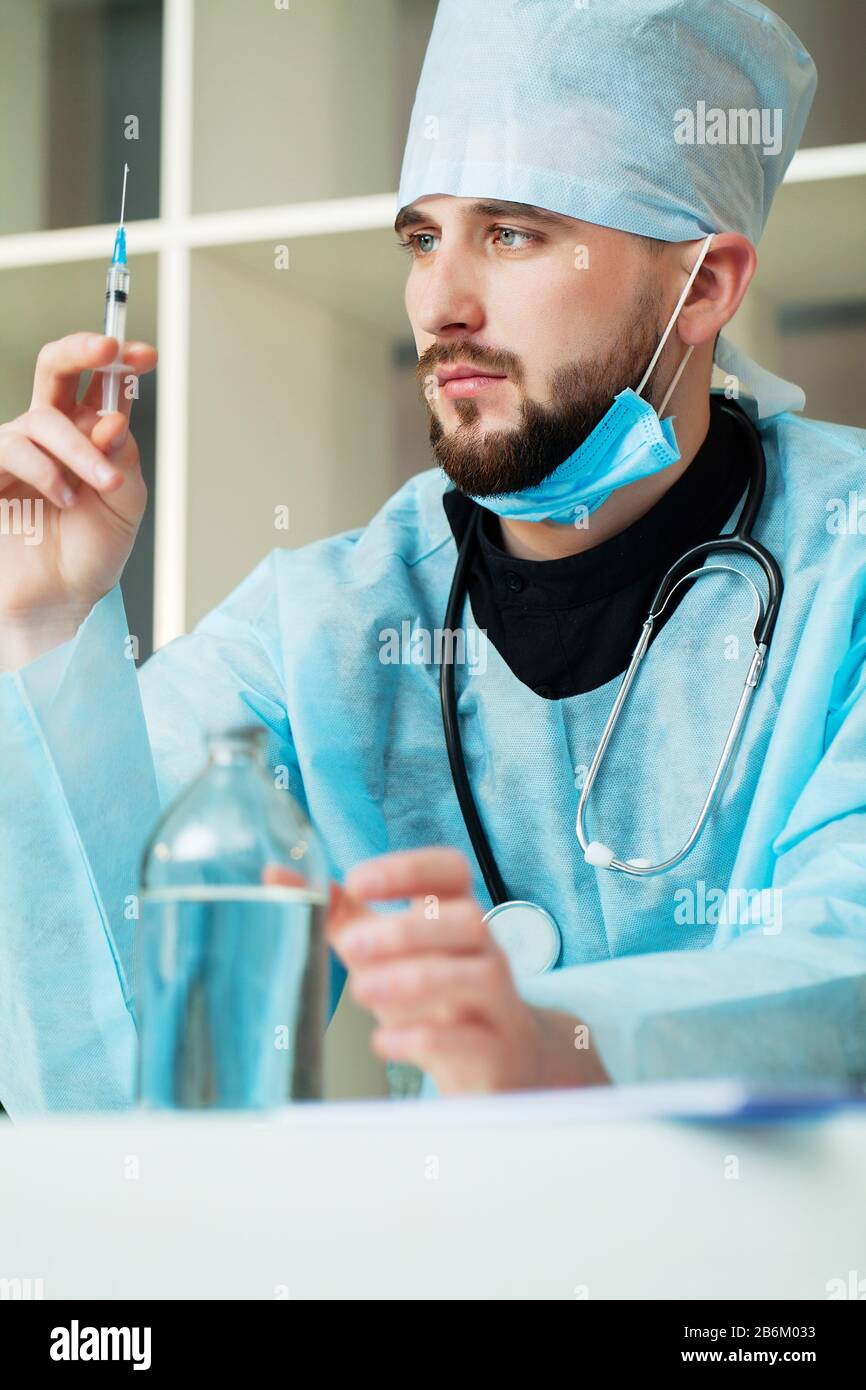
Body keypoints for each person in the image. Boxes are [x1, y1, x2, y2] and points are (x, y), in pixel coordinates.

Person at [2, 0, 865, 1116]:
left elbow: (839, 966)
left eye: (510, 233)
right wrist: (39, 623)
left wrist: (557, 1042)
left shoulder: (841, 565)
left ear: (700, 285)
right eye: (422, 238)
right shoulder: (326, 622)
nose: (439, 306)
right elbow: (125, 1066)